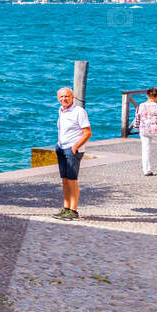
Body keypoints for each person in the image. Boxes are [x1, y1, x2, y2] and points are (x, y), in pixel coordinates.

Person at [53, 87, 91, 220]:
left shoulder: (79, 111)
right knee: (64, 180)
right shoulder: (61, 110)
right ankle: (66, 208)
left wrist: (75, 147)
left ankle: (74, 211)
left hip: (72, 149)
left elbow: (87, 132)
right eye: (61, 97)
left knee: (72, 181)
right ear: (58, 98)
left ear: (72, 97)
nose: (64, 99)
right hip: (61, 147)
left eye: (67, 96)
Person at [134, 88, 157, 176]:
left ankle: (147, 170)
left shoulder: (140, 105)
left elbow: (137, 117)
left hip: (143, 130)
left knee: (145, 150)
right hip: (155, 130)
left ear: (147, 95)